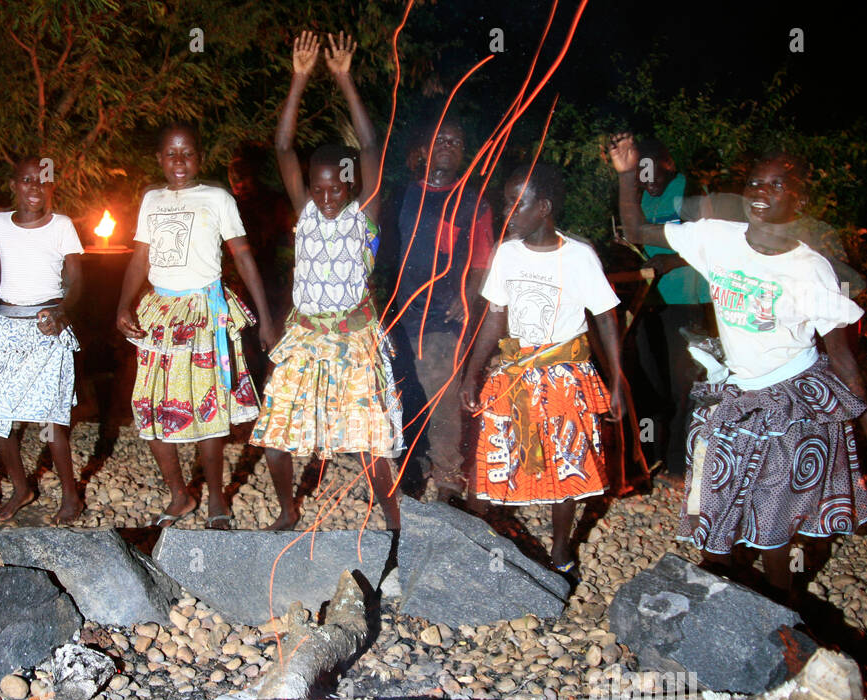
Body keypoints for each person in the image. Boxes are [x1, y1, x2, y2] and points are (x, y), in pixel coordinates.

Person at [609, 134, 867, 603]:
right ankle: (716, 595)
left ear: (799, 199)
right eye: (754, 182)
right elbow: (637, 230)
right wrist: (627, 174)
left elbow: (844, 360)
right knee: (715, 500)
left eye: (776, 184)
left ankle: (778, 613)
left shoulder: (811, 271)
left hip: (792, 401)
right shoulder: (715, 238)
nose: (760, 192)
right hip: (737, 394)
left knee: (774, 518)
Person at [249, 31, 403, 530]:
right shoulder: (306, 213)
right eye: (318, 189)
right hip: (305, 335)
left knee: (369, 440)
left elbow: (373, 144)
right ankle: (288, 509)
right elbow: (283, 145)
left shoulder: (365, 217)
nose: (326, 197)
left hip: (353, 338)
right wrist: (298, 79)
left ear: (351, 183)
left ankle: (394, 519)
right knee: (275, 432)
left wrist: (342, 77)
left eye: (336, 188)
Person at [460, 162, 626, 583]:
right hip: (515, 371)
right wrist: (472, 372)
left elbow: (606, 317)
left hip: (563, 374)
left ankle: (559, 547)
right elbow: (495, 319)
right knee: (496, 454)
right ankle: (493, 533)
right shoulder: (506, 254)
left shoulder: (579, 257)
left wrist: (617, 379)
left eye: (519, 204)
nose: (508, 212)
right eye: (505, 203)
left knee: (565, 463)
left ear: (545, 207)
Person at [115, 123, 271, 530]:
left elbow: (244, 257)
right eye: (170, 154)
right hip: (160, 312)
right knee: (147, 407)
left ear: (200, 157)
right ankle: (180, 495)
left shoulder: (217, 198)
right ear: (159, 159)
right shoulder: (151, 199)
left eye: (187, 153)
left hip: (204, 311)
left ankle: (217, 498)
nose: (179, 162)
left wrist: (266, 318)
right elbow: (139, 258)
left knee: (208, 407)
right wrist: (123, 304)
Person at [0, 157, 85, 523]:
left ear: (52, 187)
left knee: (52, 417)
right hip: (7, 326)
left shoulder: (62, 226)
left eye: (42, 181)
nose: (34, 188)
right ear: (14, 184)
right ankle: (21, 487)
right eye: (26, 180)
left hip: (47, 326)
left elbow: (77, 279)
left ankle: (71, 496)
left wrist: (62, 312)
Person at [388, 116, 495, 503]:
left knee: (444, 399)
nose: (448, 145)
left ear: (465, 152)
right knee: (404, 393)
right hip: (399, 315)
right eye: (441, 139)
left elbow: (484, 258)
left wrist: (468, 291)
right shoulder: (401, 195)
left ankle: (449, 479)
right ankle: (411, 471)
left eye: (456, 141)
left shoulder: (472, 201)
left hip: (441, 318)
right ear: (425, 149)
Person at [627, 139, 713, 477]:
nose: (647, 177)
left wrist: (671, 260)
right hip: (649, 303)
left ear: (669, 163)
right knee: (649, 387)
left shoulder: (689, 190)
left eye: (651, 167)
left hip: (686, 302)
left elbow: (709, 244)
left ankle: (681, 464)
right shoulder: (640, 197)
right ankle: (650, 457)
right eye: (640, 171)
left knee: (685, 388)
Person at [226, 145, 296, 395]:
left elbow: (286, 245)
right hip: (237, 287)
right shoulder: (230, 205)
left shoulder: (271, 203)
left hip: (268, 283)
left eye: (242, 174)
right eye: (233, 174)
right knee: (245, 347)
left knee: (264, 342)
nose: (237, 180)